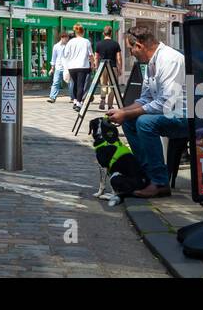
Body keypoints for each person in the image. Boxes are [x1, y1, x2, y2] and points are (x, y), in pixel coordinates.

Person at [106, 28, 187, 198]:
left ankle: (159, 182)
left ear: (139, 46)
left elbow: (166, 103)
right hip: (168, 113)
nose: (131, 54)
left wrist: (127, 114)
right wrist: (122, 111)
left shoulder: (169, 60)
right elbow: (145, 99)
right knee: (130, 122)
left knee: (144, 122)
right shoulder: (150, 64)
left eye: (131, 49)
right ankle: (147, 174)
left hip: (185, 115)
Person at [62, 23, 94, 112]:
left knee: (75, 84)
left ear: (75, 32)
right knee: (81, 85)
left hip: (72, 67)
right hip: (82, 66)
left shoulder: (70, 42)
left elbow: (65, 54)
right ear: (83, 32)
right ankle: (79, 103)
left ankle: (75, 101)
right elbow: (91, 55)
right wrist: (92, 64)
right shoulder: (86, 41)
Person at [93, 25, 123, 109]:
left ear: (103, 33)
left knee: (103, 84)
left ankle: (102, 100)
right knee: (112, 86)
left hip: (102, 67)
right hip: (112, 67)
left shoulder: (99, 44)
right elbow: (119, 58)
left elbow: (96, 57)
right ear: (111, 33)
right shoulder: (115, 44)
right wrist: (119, 68)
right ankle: (110, 105)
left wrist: (96, 67)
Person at [45, 31, 71, 103]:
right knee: (56, 82)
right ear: (62, 38)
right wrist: (52, 68)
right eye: (65, 38)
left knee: (70, 83)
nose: (67, 39)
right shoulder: (56, 46)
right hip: (58, 67)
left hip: (67, 67)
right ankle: (52, 98)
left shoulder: (69, 46)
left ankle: (73, 98)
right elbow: (54, 58)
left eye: (67, 38)